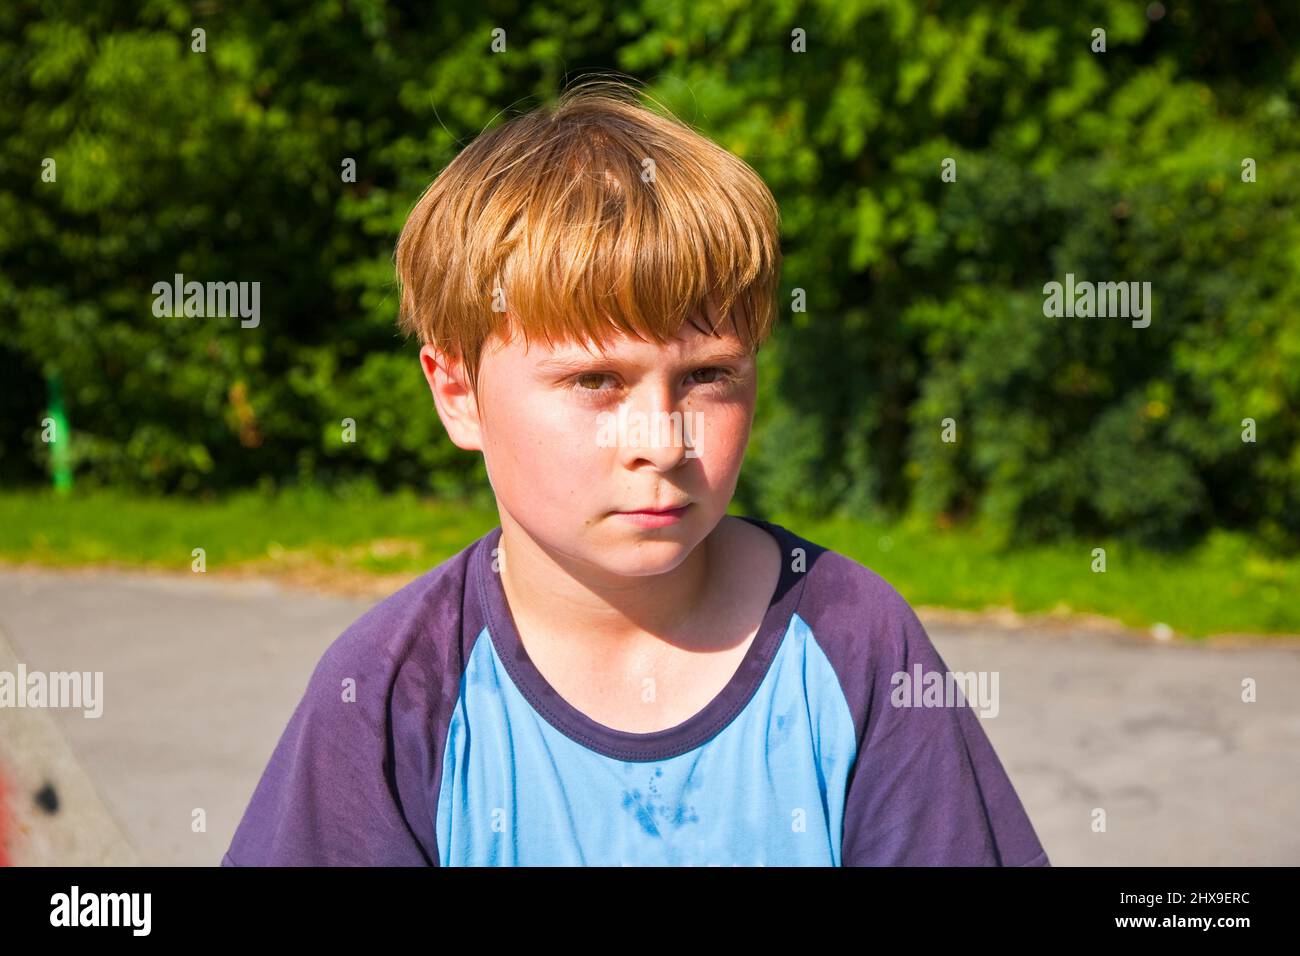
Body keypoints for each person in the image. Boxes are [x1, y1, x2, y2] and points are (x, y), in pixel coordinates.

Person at [221, 78, 1049, 867]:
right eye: (595, 381)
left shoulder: (855, 643)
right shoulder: (392, 694)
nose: (661, 440)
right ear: (459, 393)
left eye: (707, 376)